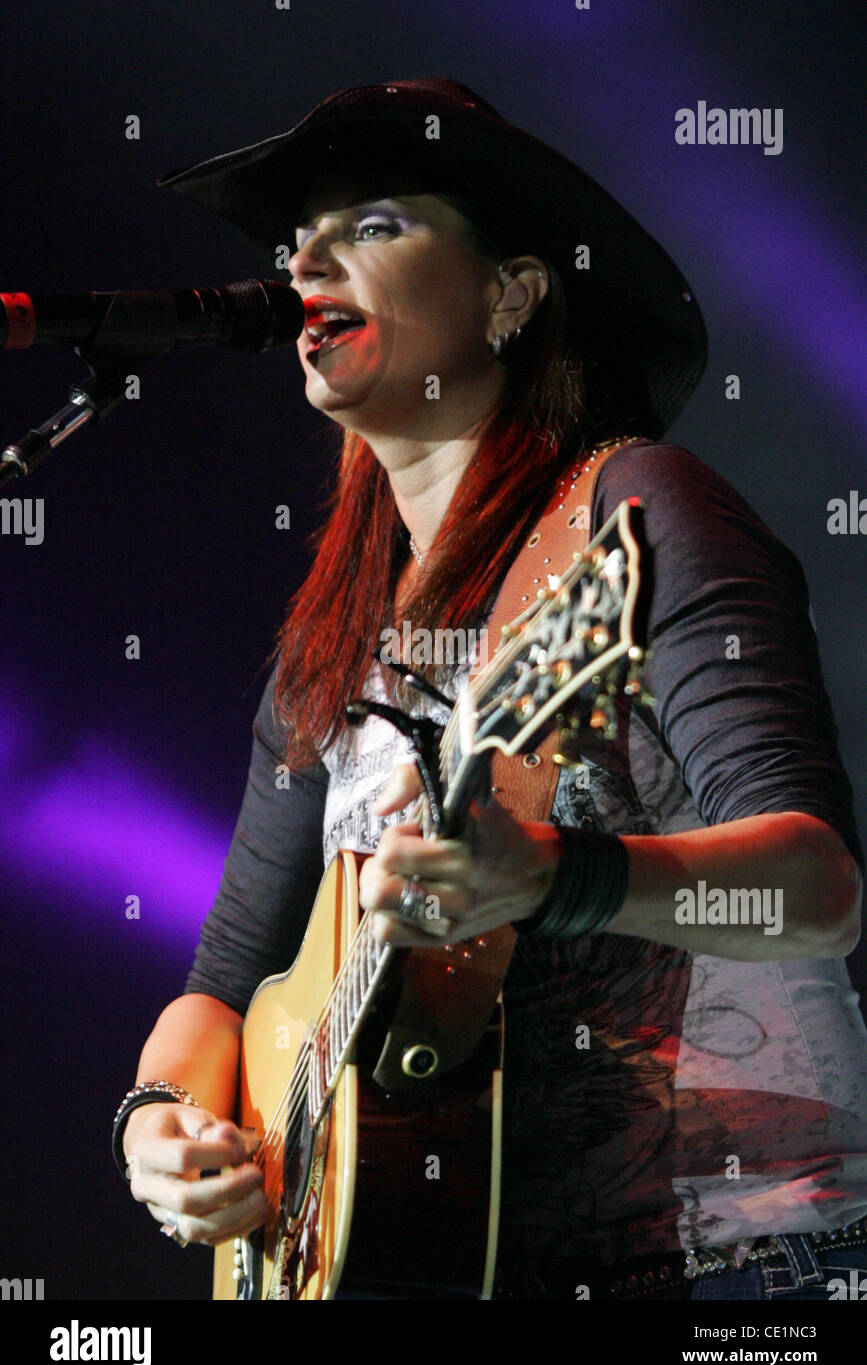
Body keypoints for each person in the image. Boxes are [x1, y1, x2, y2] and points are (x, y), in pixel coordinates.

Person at [113, 79, 867, 1301]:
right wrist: (160, 1129)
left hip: (740, 1252)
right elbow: (219, 988)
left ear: (513, 295)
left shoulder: (636, 515)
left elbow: (822, 891)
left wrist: (566, 877)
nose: (305, 255)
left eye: (372, 224)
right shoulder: (332, 647)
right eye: (297, 239)